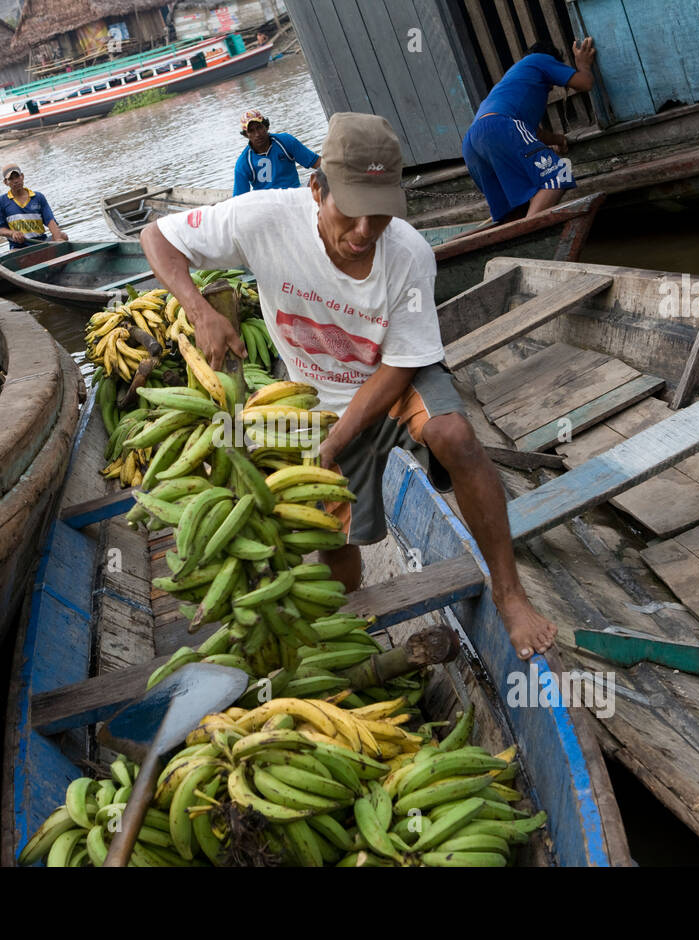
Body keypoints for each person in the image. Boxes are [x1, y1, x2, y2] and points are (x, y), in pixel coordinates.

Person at [141, 112, 557, 661]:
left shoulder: (408, 253)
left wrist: (333, 448)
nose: (365, 234)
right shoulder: (261, 218)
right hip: (314, 395)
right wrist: (198, 309)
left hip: (393, 371)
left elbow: (401, 366)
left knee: (454, 436)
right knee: (334, 537)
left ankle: (509, 595)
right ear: (316, 189)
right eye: (353, 212)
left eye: (380, 215)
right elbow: (158, 237)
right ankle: (345, 637)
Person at [462, 39, 596, 222]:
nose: (551, 88)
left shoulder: (515, 82)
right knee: (557, 176)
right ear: (553, 61)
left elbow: (536, 134)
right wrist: (583, 65)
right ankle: (527, 231)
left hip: (472, 141)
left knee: (512, 211)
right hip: (500, 126)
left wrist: (558, 140)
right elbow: (585, 84)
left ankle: (513, 241)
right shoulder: (540, 59)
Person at [232, 110, 320, 196]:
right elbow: (238, 199)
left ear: (266, 127)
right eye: (251, 131)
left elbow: (318, 163)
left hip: (294, 195)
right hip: (267, 204)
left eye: (259, 127)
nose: (257, 134)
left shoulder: (286, 141)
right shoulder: (243, 163)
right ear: (246, 135)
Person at [0, 164, 68, 248]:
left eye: (17, 176)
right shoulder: (1, 201)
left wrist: (58, 238)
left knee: (63, 236)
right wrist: (12, 233)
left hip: (41, 241)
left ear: (22, 176)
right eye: (11, 179)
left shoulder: (38, 197)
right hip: (18, 247)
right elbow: (0, 229)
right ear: (5, 182)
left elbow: (50, 221)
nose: (15, 181)